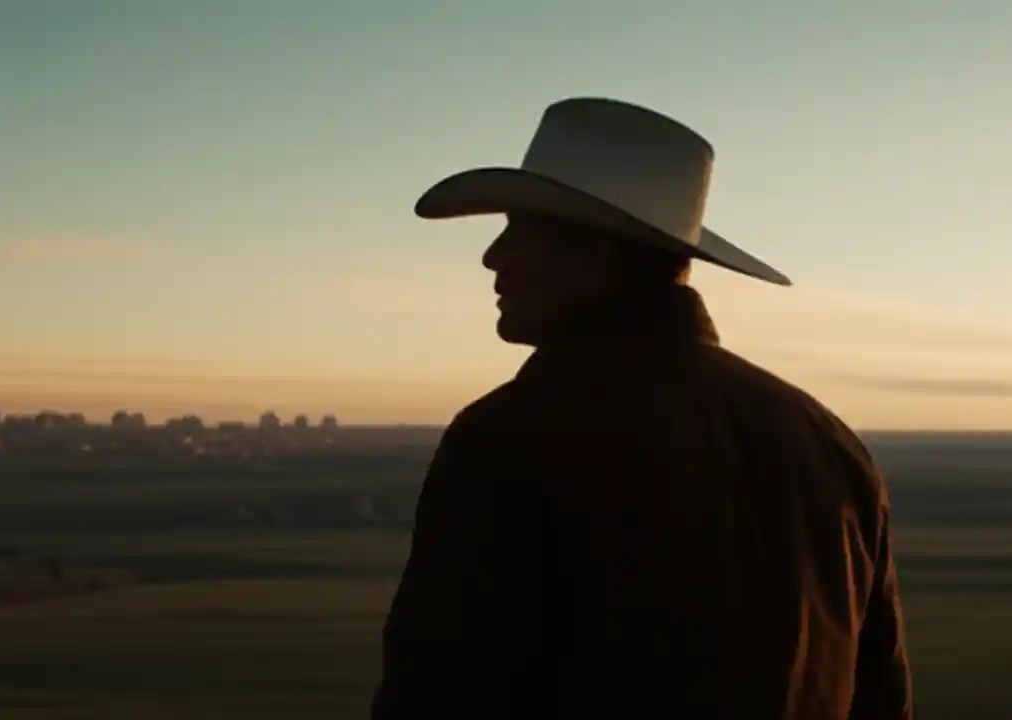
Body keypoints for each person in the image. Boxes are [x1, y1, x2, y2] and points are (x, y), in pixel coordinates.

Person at [371, 97, 911, 719]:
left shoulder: (510, 437)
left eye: (519, 228)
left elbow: (440, 692)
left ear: (592, 253)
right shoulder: (828, 441)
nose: (494, 257)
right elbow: (880, 695)